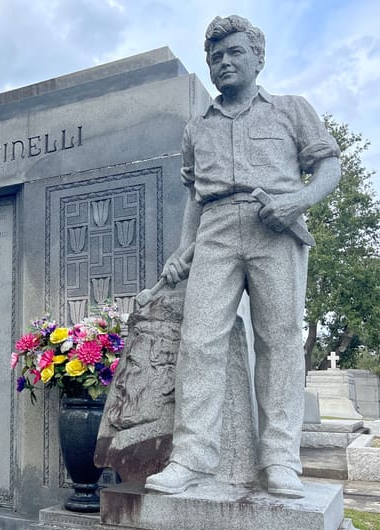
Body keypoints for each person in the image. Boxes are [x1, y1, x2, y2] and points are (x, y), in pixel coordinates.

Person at [143, 15, 341, 498]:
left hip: (275, 226)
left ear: (258, 57)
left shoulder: (291, 110)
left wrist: (299, 200)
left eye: (234, 52)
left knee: (279, 341)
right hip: (214, 230)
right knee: (199, 340)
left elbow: (329, 165)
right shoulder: (197, 128)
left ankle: (279, 460)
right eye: (215, 57)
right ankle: (192, 456)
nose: (223, 62)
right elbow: (195, 197)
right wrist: (183, 252)